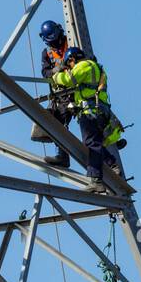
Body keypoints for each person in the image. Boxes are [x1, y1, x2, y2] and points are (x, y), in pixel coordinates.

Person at [50, 47, 127, 188]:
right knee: (95, 142)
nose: (70, 67)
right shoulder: (98, 67)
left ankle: (95, 180)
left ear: (72, 59)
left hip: (89, 112)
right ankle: (112, 164)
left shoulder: (83, 66)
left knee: (91, 143)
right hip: (101, 111)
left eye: (69, 64)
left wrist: (55, 76)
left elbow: (68, 79)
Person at [35, 19, 73, 167]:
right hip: (62, 93)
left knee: (93, 115)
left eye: (57, 39)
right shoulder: (47, 53)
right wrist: (56, 70)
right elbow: (45, 72)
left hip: (77, 87)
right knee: (58, 122)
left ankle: (109, 145)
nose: (55, 43)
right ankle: (62, 157)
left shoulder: (71, 40)